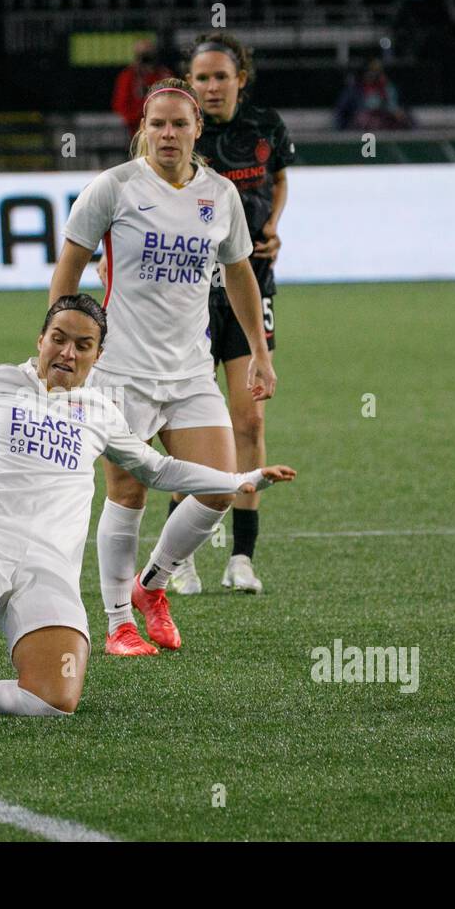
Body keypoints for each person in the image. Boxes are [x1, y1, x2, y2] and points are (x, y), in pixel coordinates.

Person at [0, 295, 296, 714]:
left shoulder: (101, 412)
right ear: (40, 338)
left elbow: (159, 470)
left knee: (52, 700)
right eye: (59, 338)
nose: (68, 352)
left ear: (97, 355)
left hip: (51, 569)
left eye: (83, 346)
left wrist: (240, 479)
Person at [48, 77, 277, 657]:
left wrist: (258, 352)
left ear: (198, 129)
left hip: (191, 371)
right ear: (142, 131)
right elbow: (70, 265)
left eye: (179, 123)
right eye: (157, 124)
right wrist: (61, 348)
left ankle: (151, 585)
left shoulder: (220, 194)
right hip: (121, 370)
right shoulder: (115, 187)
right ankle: (118, 622)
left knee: (219, 488)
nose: (168, 134)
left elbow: (240, 274)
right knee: (127, 491)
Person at [151, 33, 294, 596]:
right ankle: (179, 557)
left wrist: (273, 226)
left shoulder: (267, 126)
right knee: (186, 429)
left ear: (240, 78)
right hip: (186, 297)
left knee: (250, 421)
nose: (210, 87)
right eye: (201, 78)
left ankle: (241, 557)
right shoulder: (176, 132)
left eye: (220, 77)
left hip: (249, 287)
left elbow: (278, 178)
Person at [111, 39, 172, 136]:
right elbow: (120, 106)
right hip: (134, 129)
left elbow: (175, 102)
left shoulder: (165, 75)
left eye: (150, 55)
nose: (146, 60)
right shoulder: (128, 76)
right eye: (143, 56)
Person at [334, 58, 413, 131]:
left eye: (377, 72)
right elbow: (340, 114)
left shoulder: (386, 88)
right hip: (359, 130)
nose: (373, 75)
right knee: (363, 119)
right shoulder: (353, 91)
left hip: (383, 125)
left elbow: (396, 109)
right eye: (371, 71)